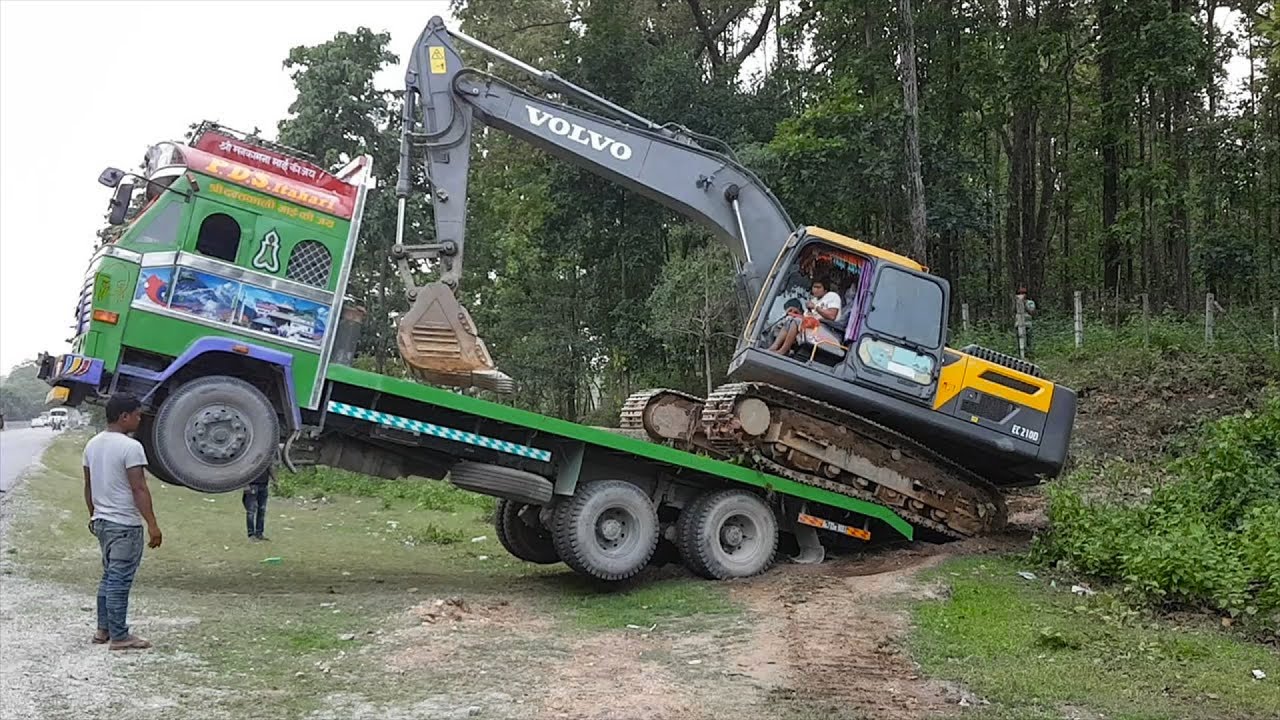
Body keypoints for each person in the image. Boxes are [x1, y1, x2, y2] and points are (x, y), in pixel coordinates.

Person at [84, 393, 162, 651]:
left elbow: (88, 485)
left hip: (103, 521)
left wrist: (93, 514)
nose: (140, 419)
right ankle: (120, 636)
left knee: (108, 577)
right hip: (124, 524)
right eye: (137, 414)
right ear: (123, 416)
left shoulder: (92, 445)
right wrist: (152, 524)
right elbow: (139, 488)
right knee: (119, 580)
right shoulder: (131, 447)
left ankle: (102, 629)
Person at [770, 278, 843, 356]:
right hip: (813, 327)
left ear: (825, 290)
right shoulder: (814, 300)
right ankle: (774, 347)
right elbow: (806, 317)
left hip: (828, 330)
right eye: (814, 287)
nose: (815, 290)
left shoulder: (832, 296)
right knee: (790, 319)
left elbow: (832, 316)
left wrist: (815, 307)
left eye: (818, 287)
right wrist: (797, 312)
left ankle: (782, 351)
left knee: (796, 321)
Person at [243, 466, 272, 541]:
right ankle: (251, 534)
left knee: (262, 510)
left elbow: (270, 467)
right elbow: (244, 469)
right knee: (251, 511)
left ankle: (259, 533)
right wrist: (245, 485)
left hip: (264, 485)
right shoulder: (251, 456)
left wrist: (275, 480)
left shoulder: (266, 456)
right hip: (253, 484)